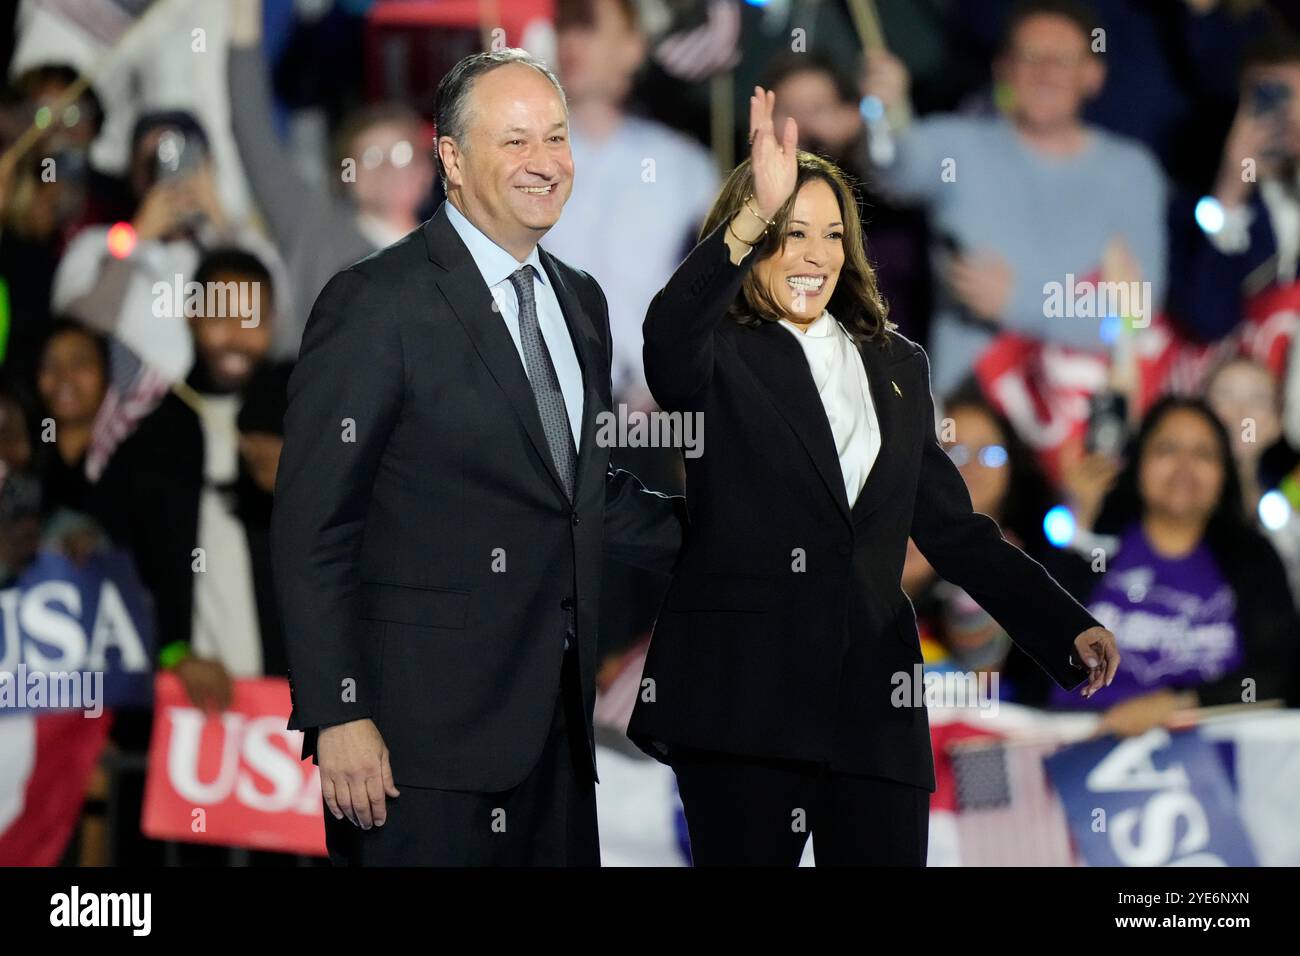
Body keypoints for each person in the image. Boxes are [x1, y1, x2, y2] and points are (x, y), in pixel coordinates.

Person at [625, 87, 1119, 867]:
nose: (815, 254)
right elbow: (665, 342)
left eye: (830, 234)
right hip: (743, 701)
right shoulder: (719, 352)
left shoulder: (896, 363)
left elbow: (953, 530)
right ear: (753, 240)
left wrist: (1064, 625)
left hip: (874, 707)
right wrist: (751, 212)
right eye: (790, 233)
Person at [270, 49, 684, 867]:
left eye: (558, 139)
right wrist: (337, 712)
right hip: (412, 754)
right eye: (516, 142)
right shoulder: (375, 301)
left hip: (560, 745)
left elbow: (582, 494)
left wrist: (736, 529)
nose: (546, 164)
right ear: (452, 160)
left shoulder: (581, 301)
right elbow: (312, 525)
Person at [863, 0, 1167, 396]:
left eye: (1060, 60)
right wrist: (882, 112)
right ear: (1002, 69)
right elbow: (894, 166)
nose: (1044, 74)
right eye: (1028, 57)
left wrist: (1018, 300)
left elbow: (1135, 313)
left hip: (1084, 429)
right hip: (971, 424)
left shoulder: (1132, 170)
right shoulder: (958, 145)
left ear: (1093, 75)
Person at [1025, 397, 1300, 732]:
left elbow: (1279, 673)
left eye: (1203, 454)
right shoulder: (1093, 538)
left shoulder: (1253, 558)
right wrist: (1078, 529)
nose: (1184, 466)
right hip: (1070, 744)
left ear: (1224, 474)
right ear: (1138, 463)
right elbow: (1027, 643)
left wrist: (1177, 703)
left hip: (1207, 760)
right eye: (1167, 449)